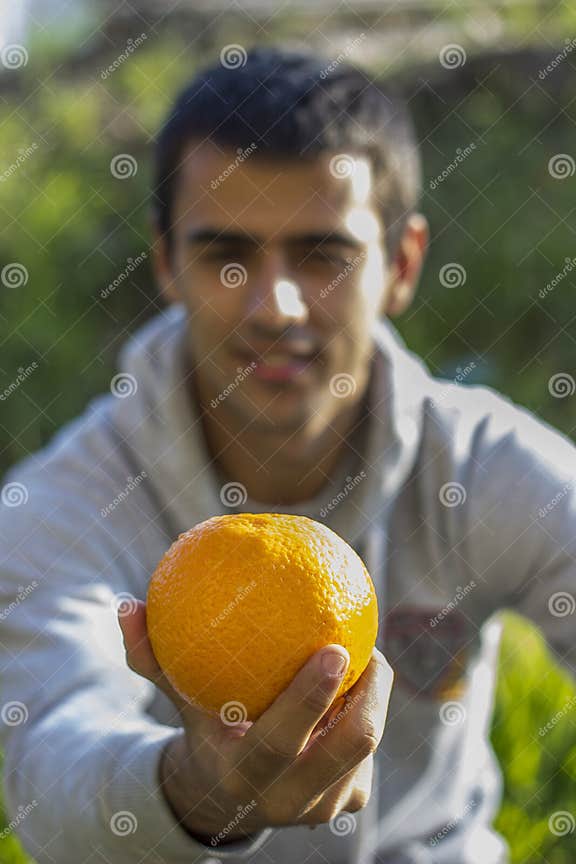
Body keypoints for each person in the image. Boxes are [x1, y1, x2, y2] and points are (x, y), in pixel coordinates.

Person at [0, 44, 574, 864]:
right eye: (226, 255)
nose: (276, 306)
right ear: (166, 262)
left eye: (323, 255)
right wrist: (199, 791)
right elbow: (50, 775)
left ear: (401, 264)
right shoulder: (63, 504)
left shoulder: (480, 467)